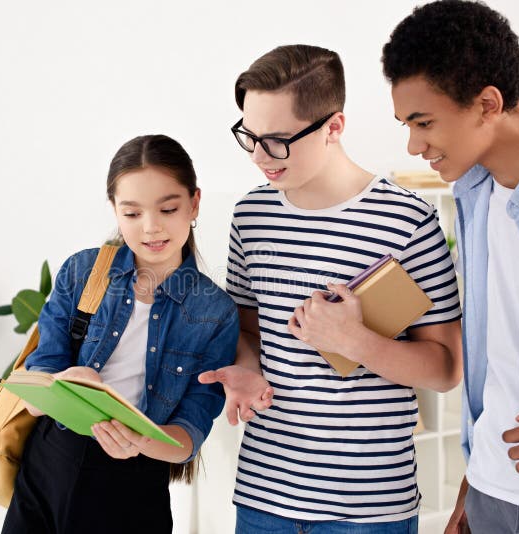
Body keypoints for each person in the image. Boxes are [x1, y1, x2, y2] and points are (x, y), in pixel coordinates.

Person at [199, 44, 462, 533]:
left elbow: (446, 369)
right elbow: (248, 332)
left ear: (333, 127)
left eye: (276, 140)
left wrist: (354, 342)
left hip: (368, 510)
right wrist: (246, 368)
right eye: (249, 136)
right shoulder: (251, 216)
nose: (259, 157)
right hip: (263, 499)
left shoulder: (408, 220)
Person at [382, 2, 519, 533]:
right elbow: (498, 364)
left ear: (487, 104)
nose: (414, 145)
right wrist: (472, 482)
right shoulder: (474, 197)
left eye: (424, 122)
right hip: (488, 493)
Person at [1, 134, 239, 534]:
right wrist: (65, 384)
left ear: (194, 203)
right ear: (114, 209)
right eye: (131, 214)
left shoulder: (215, 313)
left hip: (133, 485)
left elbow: (187, 439)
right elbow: (34, 396)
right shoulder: (82, 272)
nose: (151, 228)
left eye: (168, 208)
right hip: (47, 468)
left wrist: (139, 441)